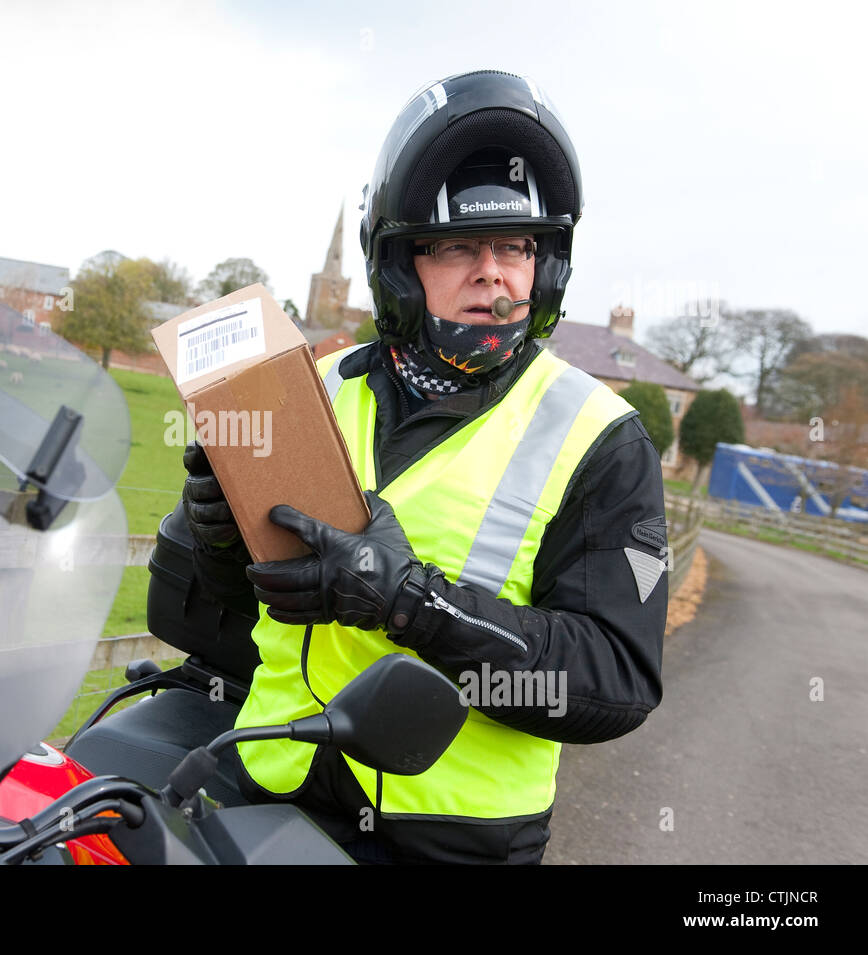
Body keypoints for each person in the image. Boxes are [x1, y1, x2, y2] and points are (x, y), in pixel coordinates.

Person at [181, 70, 667, 864]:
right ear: (401, 263)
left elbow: (616, 681)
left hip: (447, 840)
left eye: (517, 246)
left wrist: (412, 603)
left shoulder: (602, 438)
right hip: (267, 784)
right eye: (456, 246)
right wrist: (215, 533)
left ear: (544, 267)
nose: (493, 271)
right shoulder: (318, 386)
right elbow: (242, 605)